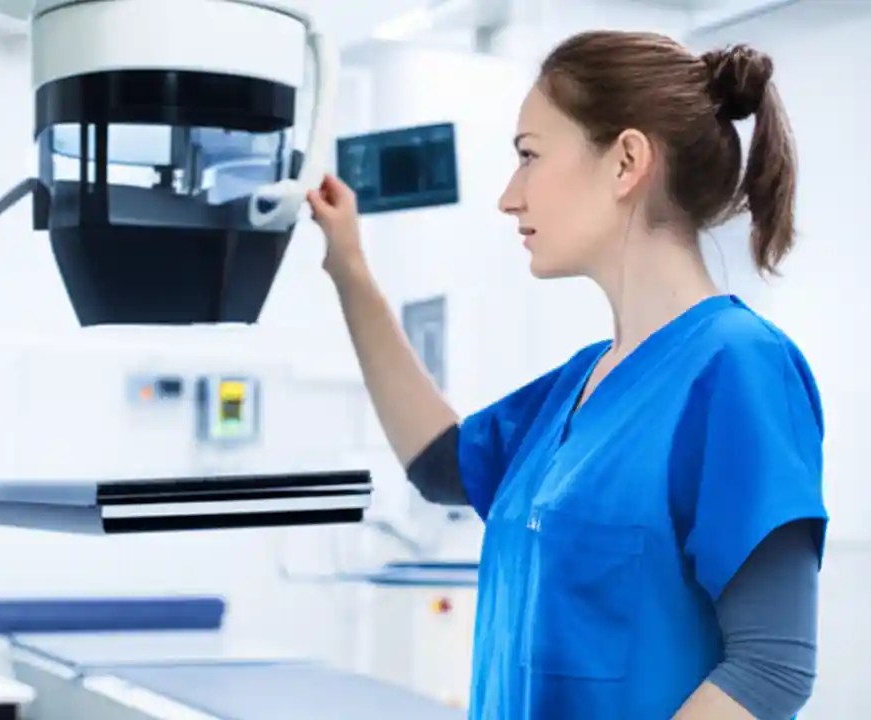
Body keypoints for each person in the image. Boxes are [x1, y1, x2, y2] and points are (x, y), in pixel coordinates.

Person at [307, 30, 828, 720]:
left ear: (626, 163)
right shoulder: (579, 386)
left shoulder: (737, 367)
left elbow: (770, 669)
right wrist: (349, 267)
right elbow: (441, 465)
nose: (508, 196)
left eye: (528, 157)